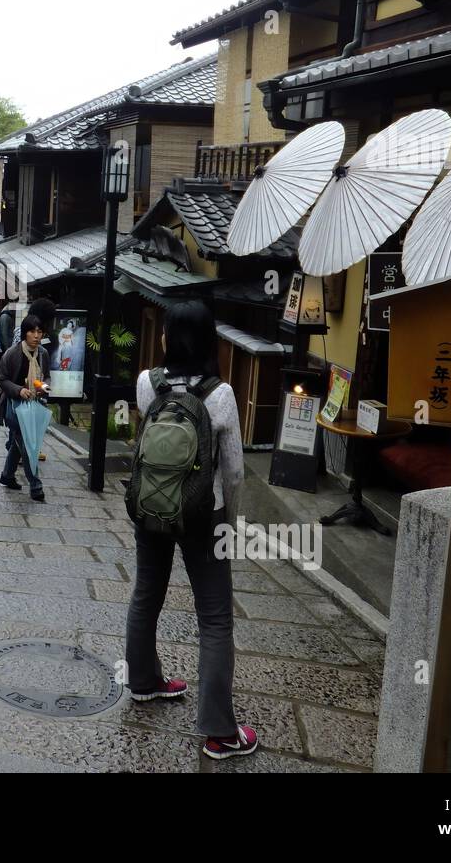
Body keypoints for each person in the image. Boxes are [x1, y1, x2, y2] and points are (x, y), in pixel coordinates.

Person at [126, 301, 256, 760]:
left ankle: (143, 681)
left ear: (170, 337)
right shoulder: (220, 394)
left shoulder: (147, 383)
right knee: (215, 618)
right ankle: (220, 732)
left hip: (152, 508)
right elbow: (235, 472)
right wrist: (230, 522)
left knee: (146, 594)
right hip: (205, 516)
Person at [0, 314, 48, 502]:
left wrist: (43, 387)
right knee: (28, 444)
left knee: (18, 443)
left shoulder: (43, 353)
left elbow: (46, 376)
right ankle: (36, 486)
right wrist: (19, 390)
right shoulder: (12, 353)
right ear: (25, 333)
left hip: (34, 405)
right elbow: (2, 379)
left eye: (39, 331)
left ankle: (7, 476)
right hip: (14, 406)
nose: (36, 335)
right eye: (32, 331)